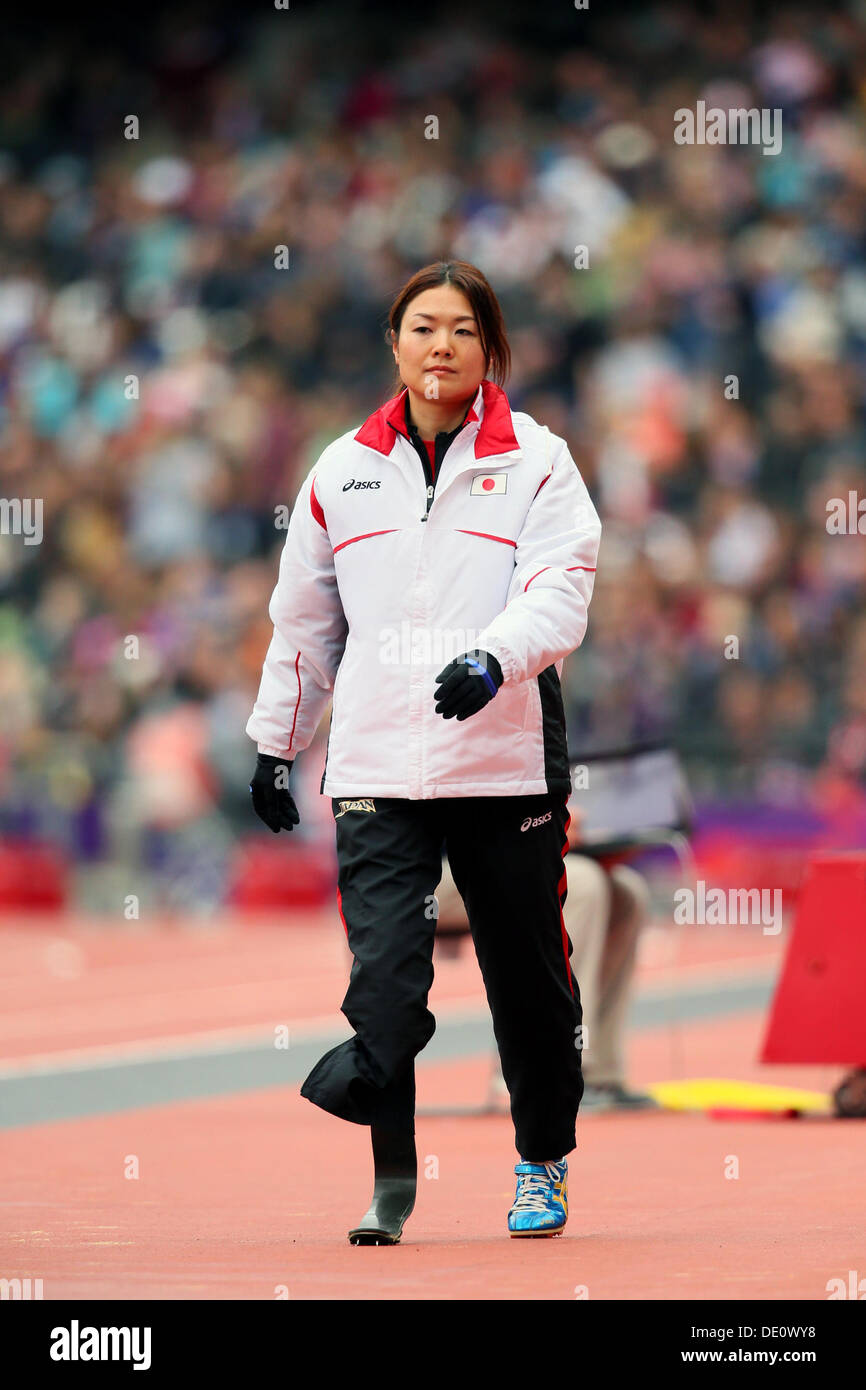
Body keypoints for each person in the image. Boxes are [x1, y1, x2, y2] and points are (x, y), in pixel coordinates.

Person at [246, 259, 601, 1242]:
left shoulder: (537, 461)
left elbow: (560, 590)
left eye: (460, 329)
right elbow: (304, 625)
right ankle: (391, 1186)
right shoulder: (340, 470)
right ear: (392, 343)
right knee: (385, 985)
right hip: (371, 769)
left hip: (503, 760)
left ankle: (541, 1158)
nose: (439, 345)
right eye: (420, 327)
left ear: (489, 348)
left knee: (527, 975)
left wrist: (494, 658)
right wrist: (277, 744)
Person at [434, 803, 657, 1112]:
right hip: (436, 867)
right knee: (580, 883)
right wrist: (541, 821)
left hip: (511, 848)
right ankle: (540, 1068)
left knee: (627, 892)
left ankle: (600, 1073)